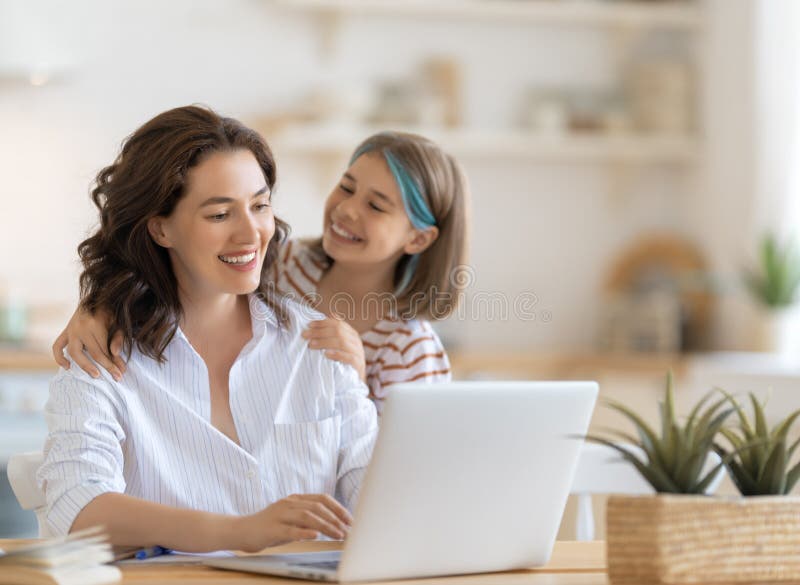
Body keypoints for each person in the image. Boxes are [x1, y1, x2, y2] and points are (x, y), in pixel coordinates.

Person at [38, 105, 378, 552]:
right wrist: (237, 531)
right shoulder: (101, 351)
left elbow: (375, 493)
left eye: (259, 206)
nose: (250, 233)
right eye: (219, 215)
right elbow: (76, 507)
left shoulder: (317, 343)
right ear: (161, 228)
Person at [53, 131, 470, 411]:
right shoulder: (280, 265)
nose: (347, 209)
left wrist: (355, 382)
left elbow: (406, 474)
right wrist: (99, 306)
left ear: (417, 240)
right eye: (346, 186)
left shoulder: (409, 347)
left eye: (376, 206)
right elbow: (172, 279)